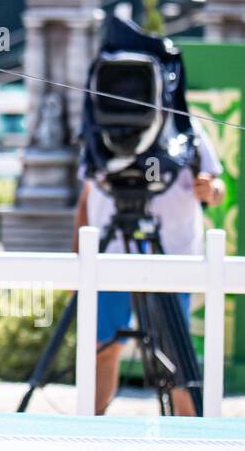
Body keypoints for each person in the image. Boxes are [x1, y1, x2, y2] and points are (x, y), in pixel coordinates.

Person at [73, 121, 226, 416]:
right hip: (110, 255)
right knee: (102, 347)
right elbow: (87, 194)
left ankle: (191, 441)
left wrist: (211, 191)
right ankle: (90, 433)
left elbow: (216, 184)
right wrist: (77, 255)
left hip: (173, 255)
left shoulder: (185, 127)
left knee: (176, 353)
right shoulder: (104, 125)